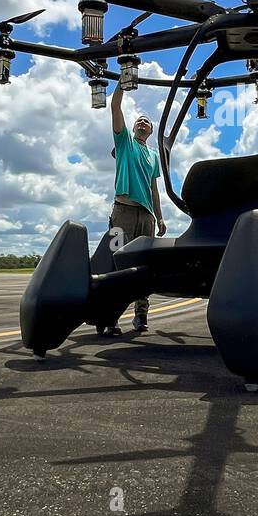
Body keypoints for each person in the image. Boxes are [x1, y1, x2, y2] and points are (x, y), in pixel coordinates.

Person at [107, 82, 167, 334]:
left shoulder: (153, 156)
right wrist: (122, 83)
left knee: (144, 267)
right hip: (123, 211)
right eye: (139, 121)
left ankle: (141, 315)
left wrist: (160, 218)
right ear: (133, 127)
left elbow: (154, 189)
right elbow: (115, 105)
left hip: (147, 217)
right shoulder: (124, 143)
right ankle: (111, 317)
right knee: (117, 264)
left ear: (151, 131)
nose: (142, 123)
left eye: (147, 122)